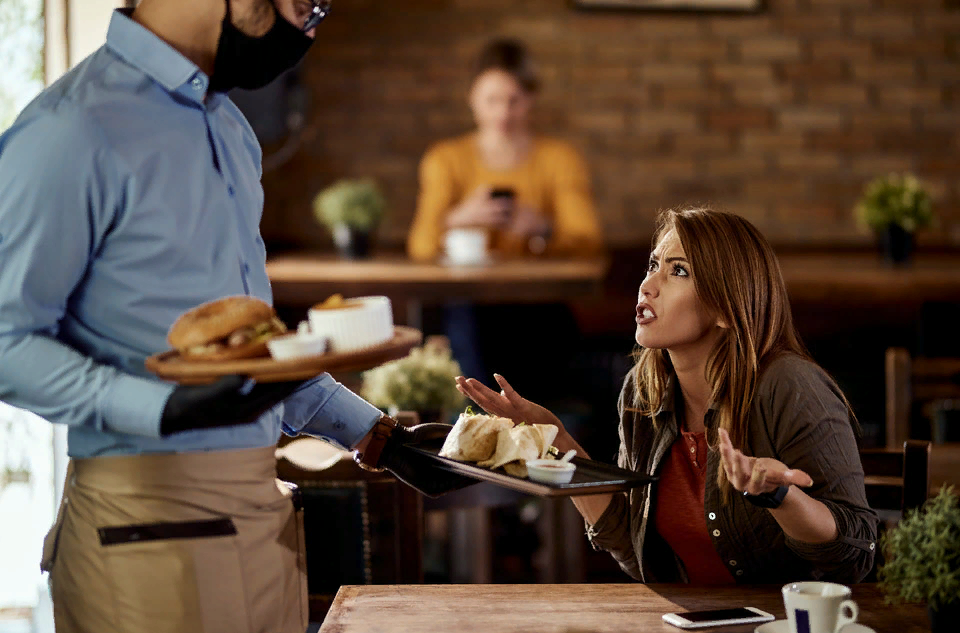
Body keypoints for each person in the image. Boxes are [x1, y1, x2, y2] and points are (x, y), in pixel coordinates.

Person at [0, 1, 464, 631]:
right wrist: (159, 408)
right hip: (143, 529)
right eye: (305, 3)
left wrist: (377, 438)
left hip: (265, 518)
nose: (309, 27)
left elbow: (252, 352)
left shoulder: (229, 128)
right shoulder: (71, 129)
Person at [457, 207, 880, 585]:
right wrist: (556, 441)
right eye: (653, 264)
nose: (647, 285)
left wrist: (780, 497)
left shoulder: (790, 386)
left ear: (726, 308)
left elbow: (855, 553)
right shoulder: (644, 390)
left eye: (678, 271)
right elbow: (633, 548)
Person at [406, 37, 604, 261]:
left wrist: (543, 228)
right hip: (463, 292)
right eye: (492, 100)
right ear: (472, 98)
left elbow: (589, 243)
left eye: (514, 101)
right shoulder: (443, 159)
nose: (503, 113)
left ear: (531, 99)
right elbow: (420, 248)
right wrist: (458, 219)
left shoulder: (562, 159)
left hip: (537, 289)